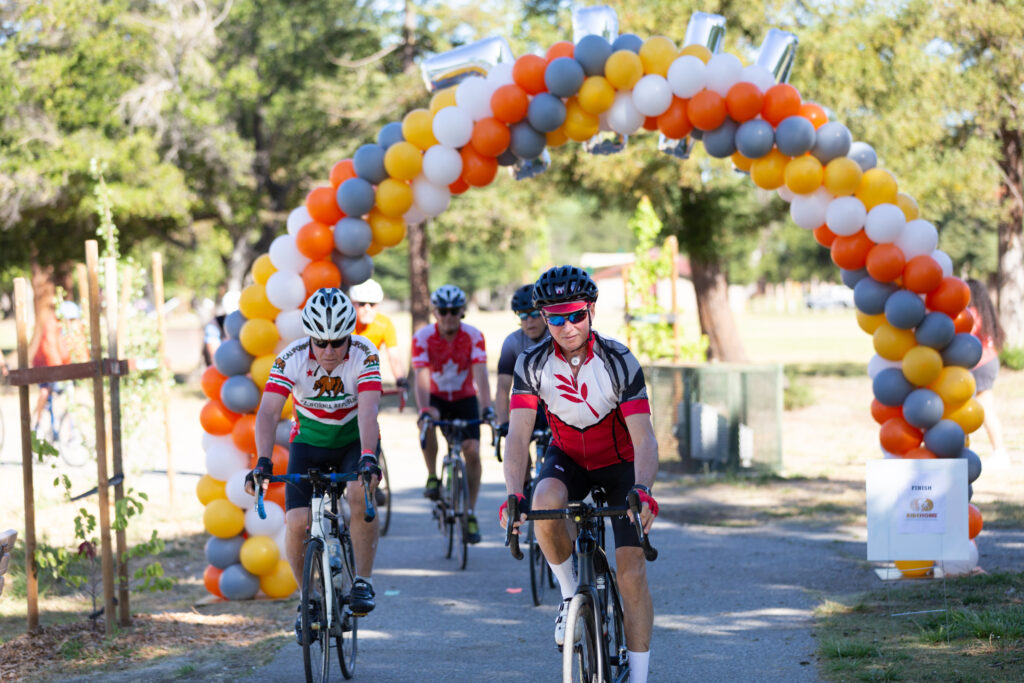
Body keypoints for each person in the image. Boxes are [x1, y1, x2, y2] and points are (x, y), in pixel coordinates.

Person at [499, 265, 658, 683]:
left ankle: (639, 677)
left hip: (621, 465)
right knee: (542, 503)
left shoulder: (618, 361)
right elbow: (516, 437)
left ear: (590, 312)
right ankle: (571, 595)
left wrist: (643, 490)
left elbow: (644, 438)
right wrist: (512, 494)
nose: (567, 326)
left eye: (575, 315)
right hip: (568, 457)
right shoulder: (531, 363)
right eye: (555, 317)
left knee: (630, 572)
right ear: (544, 318)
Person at [245, 288, 383, 640]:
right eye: (320, 342)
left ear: (350, 335)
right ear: (310, 337)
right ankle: (306, 598)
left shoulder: (365, 355)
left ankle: (363, 581)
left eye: (338, 342)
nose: (329, 351)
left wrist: (369, 457)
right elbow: (268, 412)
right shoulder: (290, 357)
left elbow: (368, 412)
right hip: (308, 443)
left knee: (359, 494)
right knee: (297, 521)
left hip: (353, 441)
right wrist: (262, 461)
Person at [412, 284, 494, 544]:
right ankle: (433, 476)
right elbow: (421, 377)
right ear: (436, 312)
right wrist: (425, 409)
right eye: (443, 311)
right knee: (428, 421)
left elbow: (480, 372)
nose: (449, 316)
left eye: (454, 311)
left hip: (464, 397)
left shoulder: (473, 335)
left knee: (471, 450)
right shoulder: (423, 337)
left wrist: (487, 407)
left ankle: (469, 512)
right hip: (435, 396)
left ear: (462, 312)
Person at [494, 285, 550, 476]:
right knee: (517, 446)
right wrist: (502, 423)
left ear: (545, 313)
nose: (529, 321)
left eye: (534, 313)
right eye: (523, 316)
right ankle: (522, 492)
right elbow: (502, 387)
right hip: (527, 405)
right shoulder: (512, 342)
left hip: (555, 404)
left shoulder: (558, 335)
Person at [967, 279, 1009, 469]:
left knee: (985, 410)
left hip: (980, 365)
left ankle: (1000, 452)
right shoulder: (986, 312)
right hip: (990, 362)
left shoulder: (972, 314)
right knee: (986, 410)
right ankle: (999, 451)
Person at [347, 279, 408, 389]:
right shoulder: (345, 323)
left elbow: (394, 357)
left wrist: (400, 380)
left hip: (367, 374)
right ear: (352, 303)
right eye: (361, 304)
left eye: (372, 304)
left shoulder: (384, 323)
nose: (367, 309)